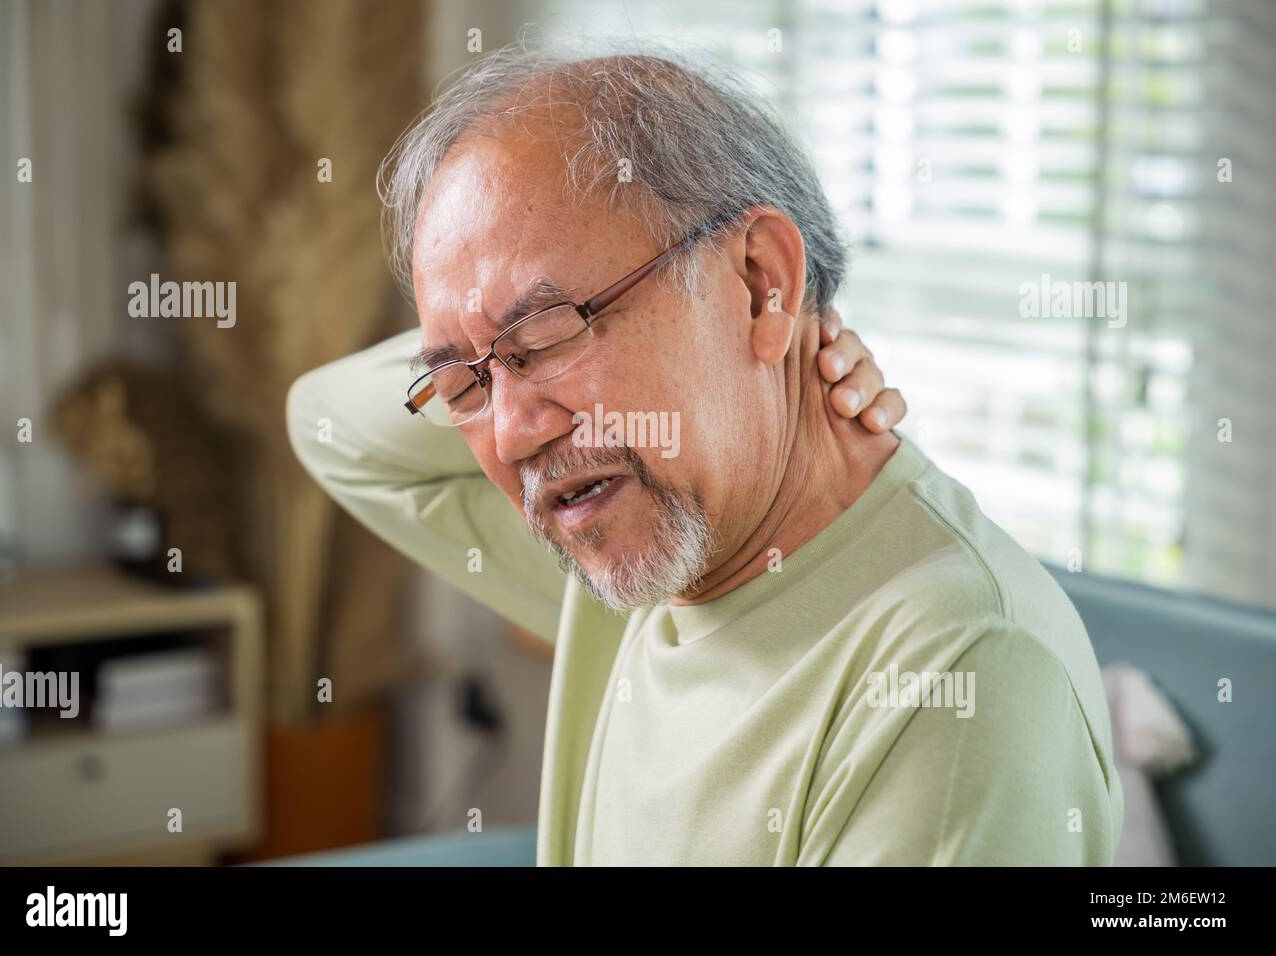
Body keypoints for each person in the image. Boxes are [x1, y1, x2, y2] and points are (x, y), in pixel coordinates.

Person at [288, 46, 1122, 865]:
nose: (510, 437)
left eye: (546, 335)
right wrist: (476, 341)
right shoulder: (638, 540)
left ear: (760, 278)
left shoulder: (958, 676)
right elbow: (327, 425)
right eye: (465, 388)